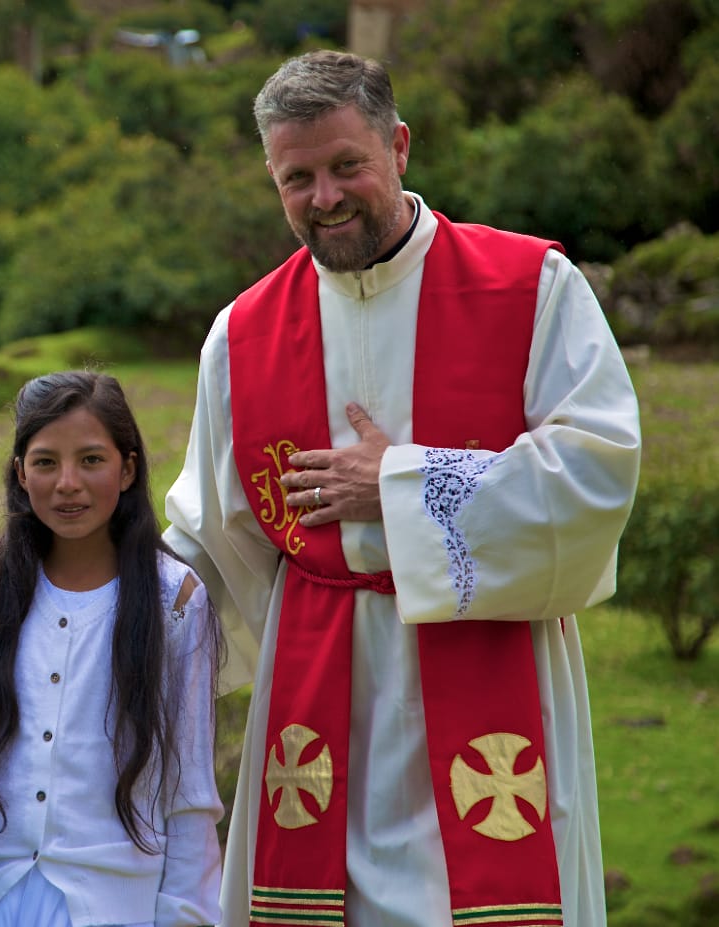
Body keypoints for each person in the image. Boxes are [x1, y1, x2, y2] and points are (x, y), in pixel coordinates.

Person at [163, 50, 642, 927]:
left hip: (494, 663)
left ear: (400, 148)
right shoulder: (242, 334)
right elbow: (208, 536)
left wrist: (404, 481)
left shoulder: (531, 285)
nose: (326, 197)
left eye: (347, 166)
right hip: (316, 688)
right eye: (296, 177)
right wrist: (52, 578)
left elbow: (597, 467)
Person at [0, 371, 225, 927]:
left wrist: (185, 916)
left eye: (91, 460)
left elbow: (188, 790)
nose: (68, 482)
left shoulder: (175, 601)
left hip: (116, 905)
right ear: (20, 474)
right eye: (46, 462)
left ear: (129, 467)